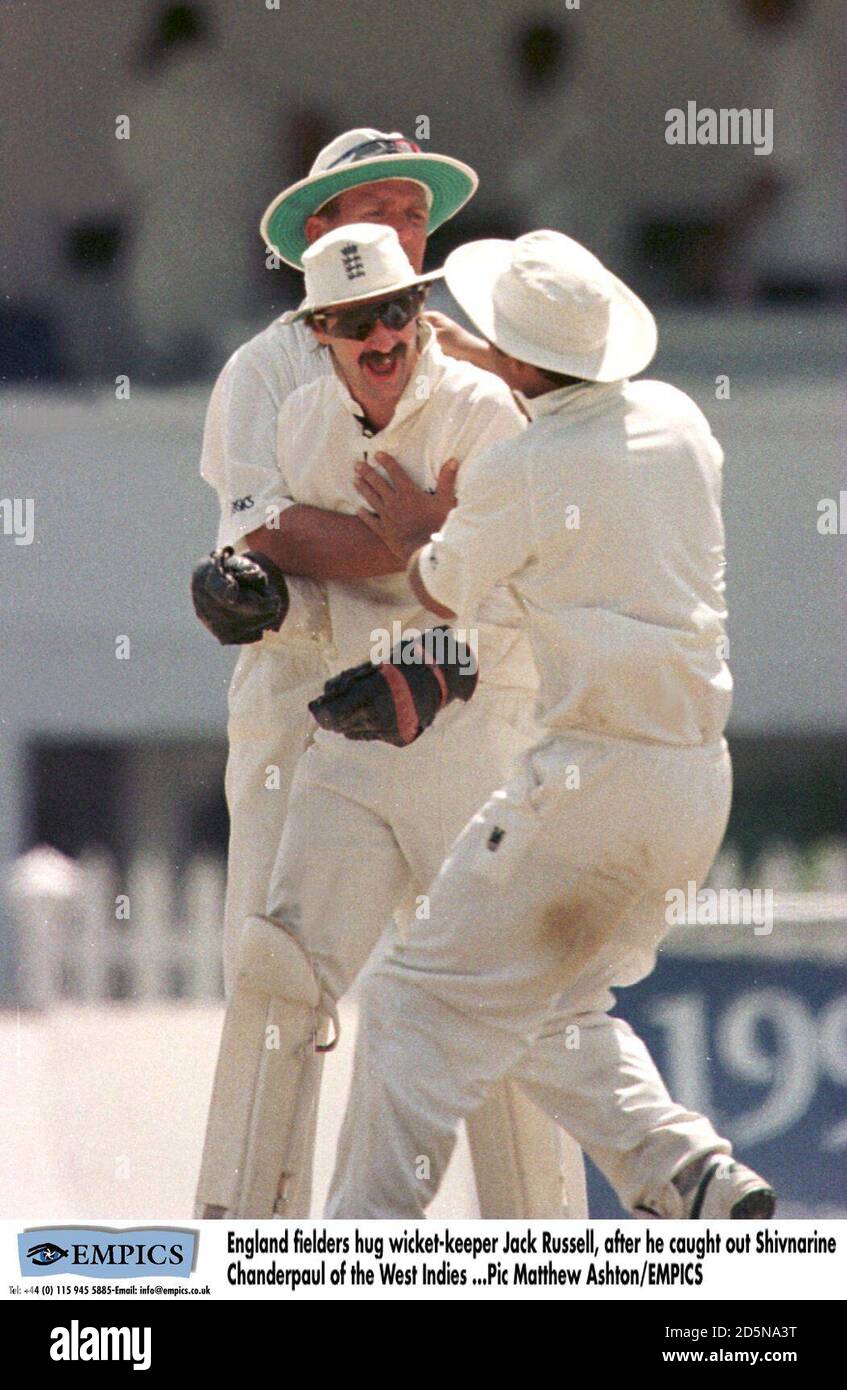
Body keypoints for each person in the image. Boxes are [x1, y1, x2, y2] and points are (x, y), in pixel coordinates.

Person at [322, 230, 776, 1220]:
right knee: (548, 1002)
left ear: (520, 361)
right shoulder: (677, 418)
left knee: (415, 1003)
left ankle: (355, 1255)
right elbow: (582, 423)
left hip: (588, 788)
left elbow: (440, 589)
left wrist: (417, 525)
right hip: (695, 787)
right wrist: (504, 361)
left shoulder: (516, 470)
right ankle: (687, 1172)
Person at [195, 130, 578, 1217]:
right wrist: (424, 540)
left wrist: (425, 546)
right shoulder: (268, 372)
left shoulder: (469, 367)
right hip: (306, 704)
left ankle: (546, 1251)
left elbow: (540, 523)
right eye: (376, 210)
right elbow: (269, 536)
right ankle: (245, 1245)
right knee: (276, 976)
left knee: (499, 978)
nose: (403, 235)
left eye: (415, 213)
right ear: (315, 237)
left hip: (467, 693)